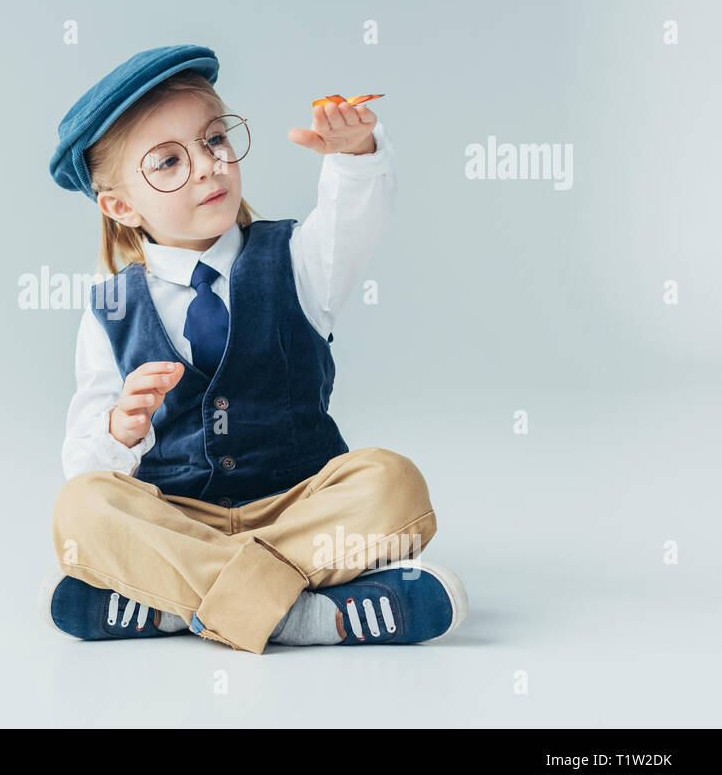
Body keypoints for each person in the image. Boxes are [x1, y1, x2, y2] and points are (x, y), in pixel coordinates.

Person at [40, 44, 467, 654]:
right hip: (180, 519)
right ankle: (308, 618)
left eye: (214, 140)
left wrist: (354, 157)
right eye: (167, 161)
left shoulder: (296, 259)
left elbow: (354, 221)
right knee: (81, 509)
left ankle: (169, 608)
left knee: (392, 483)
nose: (208, 167)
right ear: (120, 206)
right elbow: (85, 466)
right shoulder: (110, 309)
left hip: (301, 506)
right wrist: (120, 427)